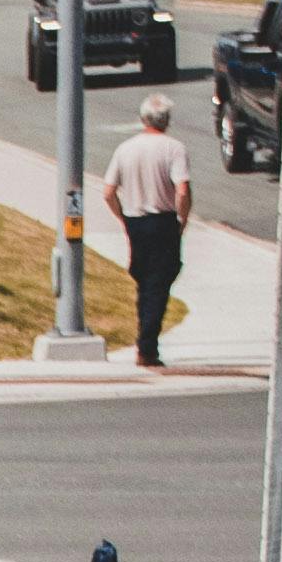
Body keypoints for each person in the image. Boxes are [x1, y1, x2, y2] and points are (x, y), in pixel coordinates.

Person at [99, 97, 194, 370]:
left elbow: (108, 192)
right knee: (159, 282)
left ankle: (146, 340)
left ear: (143, 119)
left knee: (144, 280)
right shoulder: (174, 148)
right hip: (163, 220)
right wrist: (182, 218)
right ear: (166, 120)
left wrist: (122, 218)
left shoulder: (125, 149)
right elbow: (183, 190)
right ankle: (147, 346)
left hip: (135, 220)